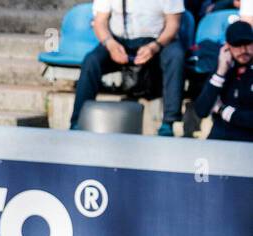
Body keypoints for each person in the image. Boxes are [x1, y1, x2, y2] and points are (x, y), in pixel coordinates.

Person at [71, 0, 186, 135]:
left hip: (157, 41)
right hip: (118, 42)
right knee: (91, 61)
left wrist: (155, 46)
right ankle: (77, 120)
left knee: (176, 56)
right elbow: (100, 22)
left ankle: (169, 123)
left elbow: (173, 24)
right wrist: (110, 44)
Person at [193, 18, 253, 139]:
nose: (243, 50)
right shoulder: (223, 67)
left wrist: (223, 110)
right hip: (221, 138)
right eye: (237, 45)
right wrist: (220, 73)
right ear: (227, 46)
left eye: (247, 44)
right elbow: (201, 111)